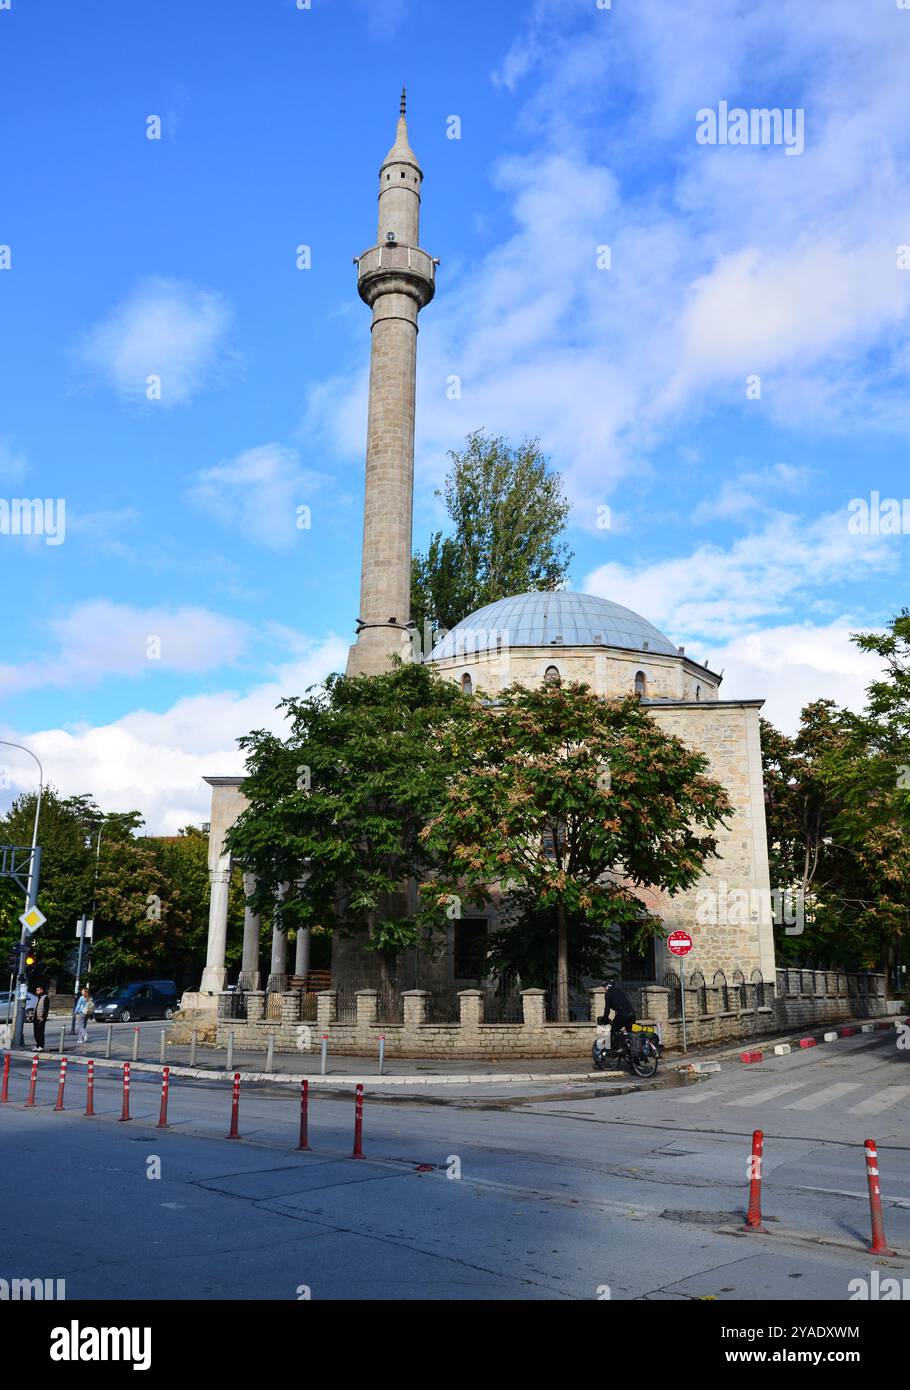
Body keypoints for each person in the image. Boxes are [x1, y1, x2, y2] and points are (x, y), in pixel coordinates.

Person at [598, 977, 636, 1050]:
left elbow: (607, 1009)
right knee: (630, 1034)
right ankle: (632, 1055)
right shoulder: (620, 991)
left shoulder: (608, 994)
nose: (604, 989)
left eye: (605, 986)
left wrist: (604, 1018)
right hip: (632, 1014)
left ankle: (622, 1047)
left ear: (609, 985)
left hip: (623, 1015)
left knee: (614, 1031)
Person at [33, 986, 49, 1051]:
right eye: (36, 990)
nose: (37, 992)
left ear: (42, 990)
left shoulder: (45, 998)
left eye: (38, 990)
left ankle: (41, 1046)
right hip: (35, 1018)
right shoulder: (38, 998)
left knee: (40, 1033)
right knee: (36, 1033)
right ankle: (37, 1045)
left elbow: (46, 1009)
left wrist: (43, 1017)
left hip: (41, 1018)